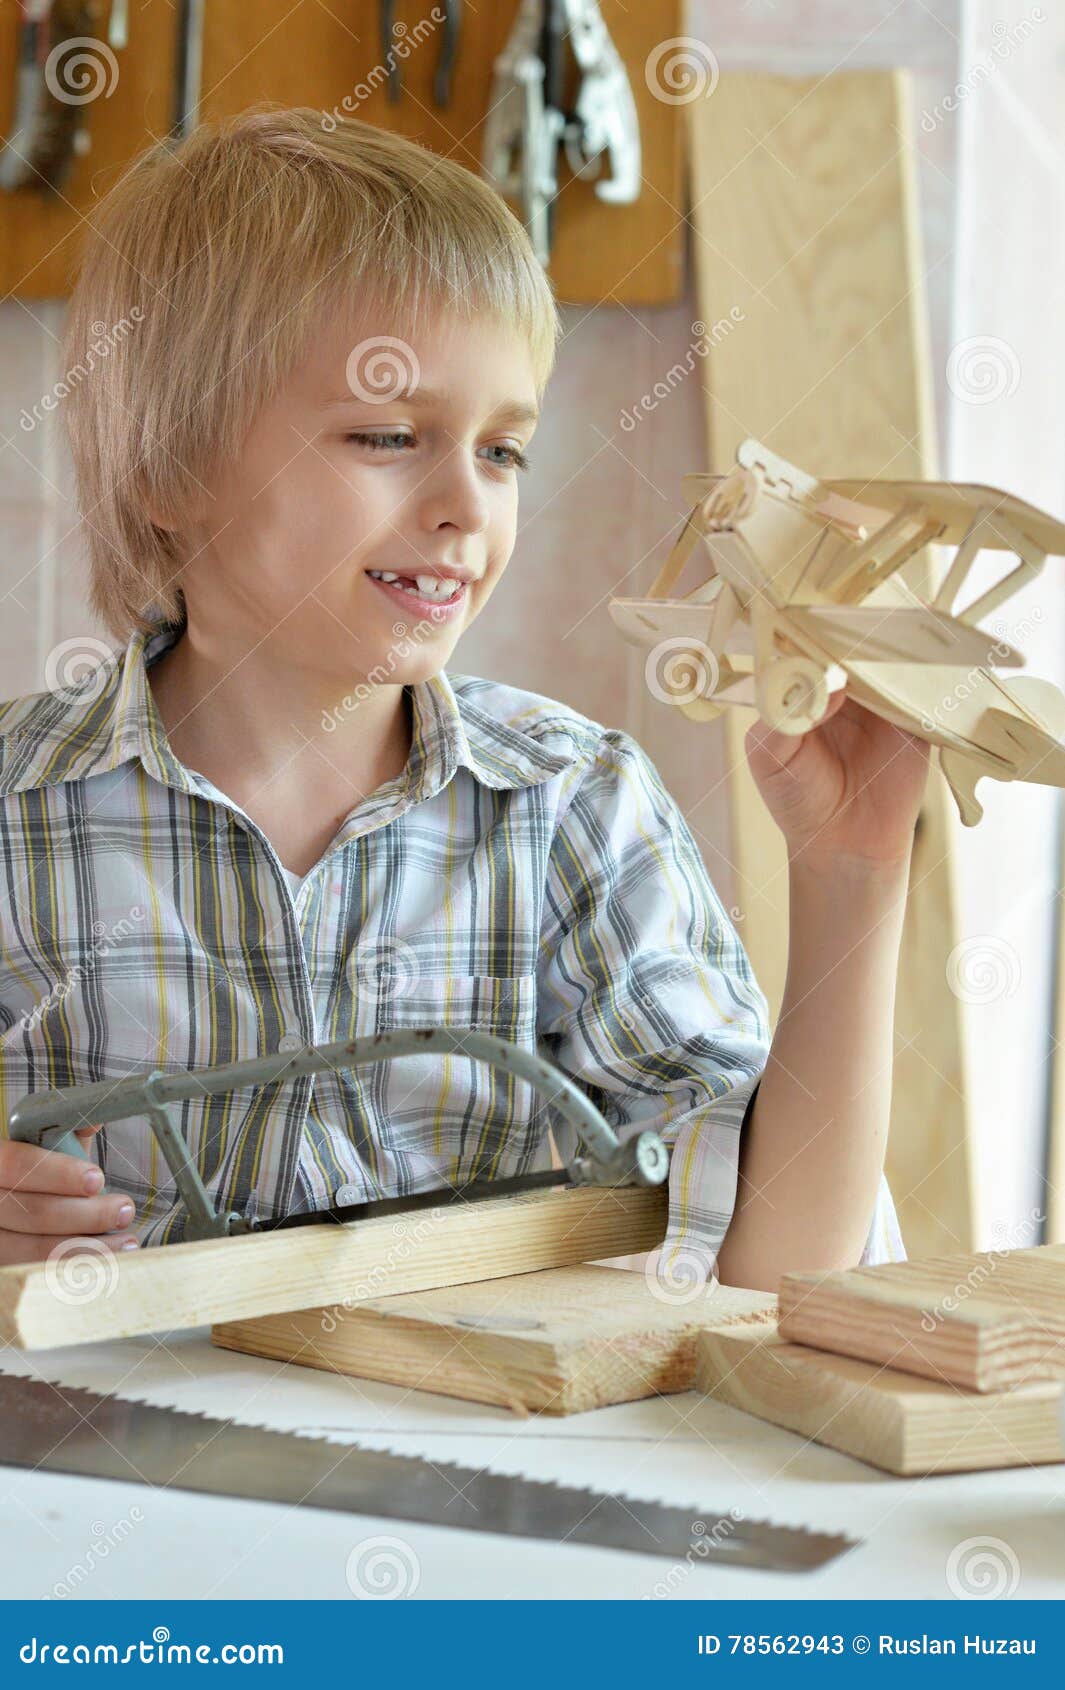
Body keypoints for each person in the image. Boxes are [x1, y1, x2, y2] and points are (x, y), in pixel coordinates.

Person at [0, 106, 919, 1291]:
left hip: (477, 1470)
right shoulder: (19, 816)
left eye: (503, 451)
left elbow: (777, 1272)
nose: (467, 509)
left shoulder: (571, 806)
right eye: (389, 434)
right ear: (173, 465)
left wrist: (855, 873)